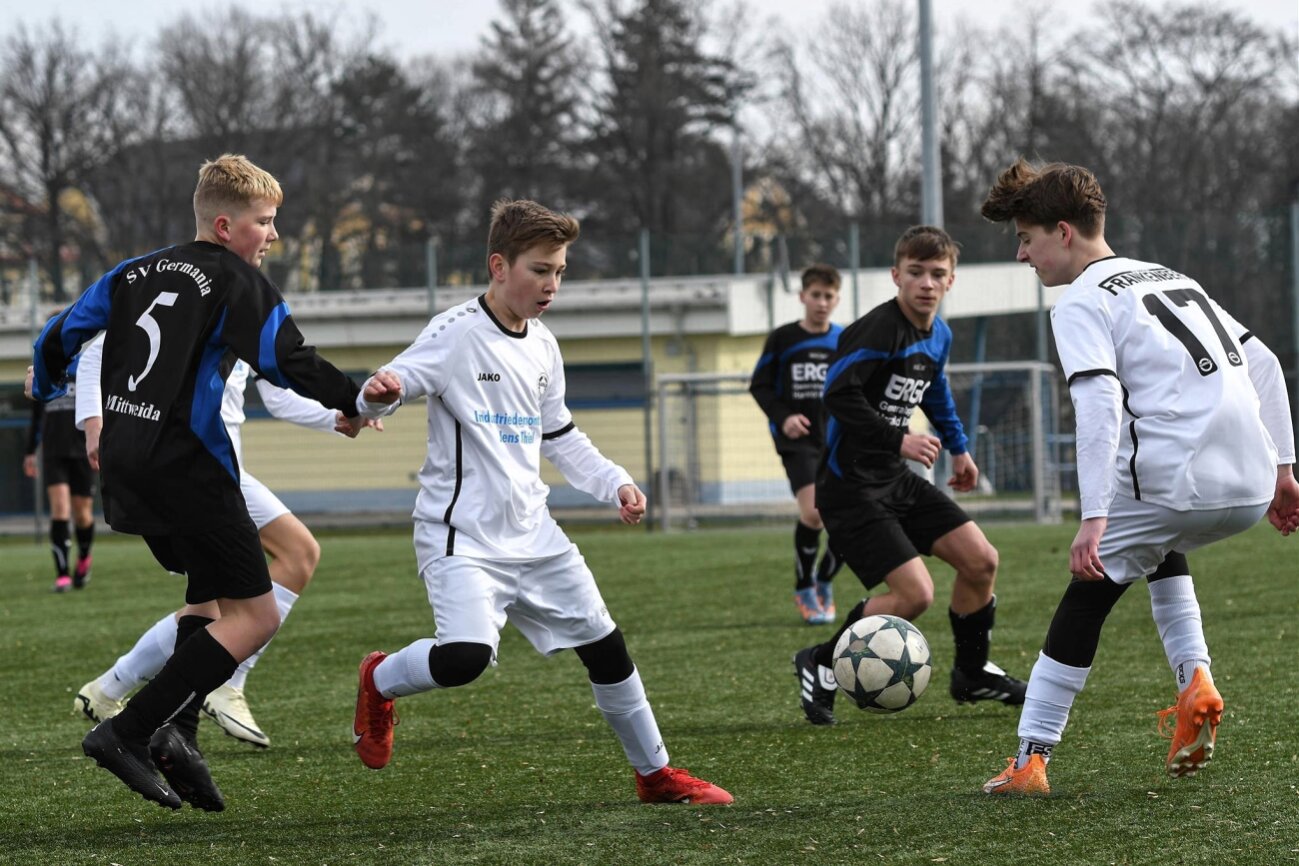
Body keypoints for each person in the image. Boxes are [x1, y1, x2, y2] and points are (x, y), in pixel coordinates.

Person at [349, 199, 732, 806]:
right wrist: (378, 397)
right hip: (463, 537)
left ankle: (655, 775)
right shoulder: (454, 333)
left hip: (535, 533)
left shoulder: (544, 345)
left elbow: (560, 435)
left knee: (606, 646)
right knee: (465, 659)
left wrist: (615, 482)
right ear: (499, 266)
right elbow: (389, 388)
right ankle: (380, 677)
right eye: (540, 270)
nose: (552, 284)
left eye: (560, 272)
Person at [27, 153, 363, 812]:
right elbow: (288, 358)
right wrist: (353, 399)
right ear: (225, 225)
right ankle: (126, 730)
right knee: (257, 615)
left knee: (208, 599)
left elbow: (58, 337)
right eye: (264, 222)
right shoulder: (236, 281)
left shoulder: (133, 271)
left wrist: (46, 388)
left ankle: (177, 736)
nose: (272, 235)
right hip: (189, 466)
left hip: (129, 464)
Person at [977, 158, 1299, 795]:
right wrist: (1285, 471)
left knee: (1087, 590)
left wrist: (1092, 517)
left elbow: (1099, 403)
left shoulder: (1080, 300)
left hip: (1176, 484)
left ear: (1063, 232)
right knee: (1158, 539)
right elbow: (1263, 363)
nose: (1022, 255)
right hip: (1251, 485)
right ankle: (1194, 679)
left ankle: (1030, 759)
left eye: (1026, 238)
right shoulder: (1172, 276)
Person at [71, 334, 381, 748]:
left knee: (214, 604)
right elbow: (97, 352)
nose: (263, 265)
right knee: (290, 557)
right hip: (194, 466)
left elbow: (279, 396)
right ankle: (221, 683)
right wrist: (93, 423)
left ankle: (109, 690)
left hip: (223, 470)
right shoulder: (201, 298)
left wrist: (336, 416)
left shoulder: (249, 310)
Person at [791, 225, 1027, 727]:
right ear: (896, 275)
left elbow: (934, 390)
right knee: (915, 596)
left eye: (937, 274)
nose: (926, 283)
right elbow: (838, 395)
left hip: (894, 478)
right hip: (850, 486)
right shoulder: (878, 329)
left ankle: (971, 674)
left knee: (981, 561)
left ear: (951, 281)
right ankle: (821, 660)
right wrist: (898, 439)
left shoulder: (939, 333)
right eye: (915, 272)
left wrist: (959, 449)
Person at [750, 264, 846, 624]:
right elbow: (760, 385)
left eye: (828, 296)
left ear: (837, 300)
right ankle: (805, 587)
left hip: (838, 440)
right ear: (803, 296)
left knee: (849, 520)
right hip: (798, 442)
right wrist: (784, 417)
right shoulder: (783, 339)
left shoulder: (845, 339)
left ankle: (825, 581)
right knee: (815, 513)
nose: (822, 302)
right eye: (816, 295)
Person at [23, 323, 97, 593]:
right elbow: (37, 418)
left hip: (82, 451)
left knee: (83, 515)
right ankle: (62, 573)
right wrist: (30, 451)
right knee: (60, 509)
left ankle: (84, 558)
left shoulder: (86, 366)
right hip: (54, 452)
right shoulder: (44, 369)